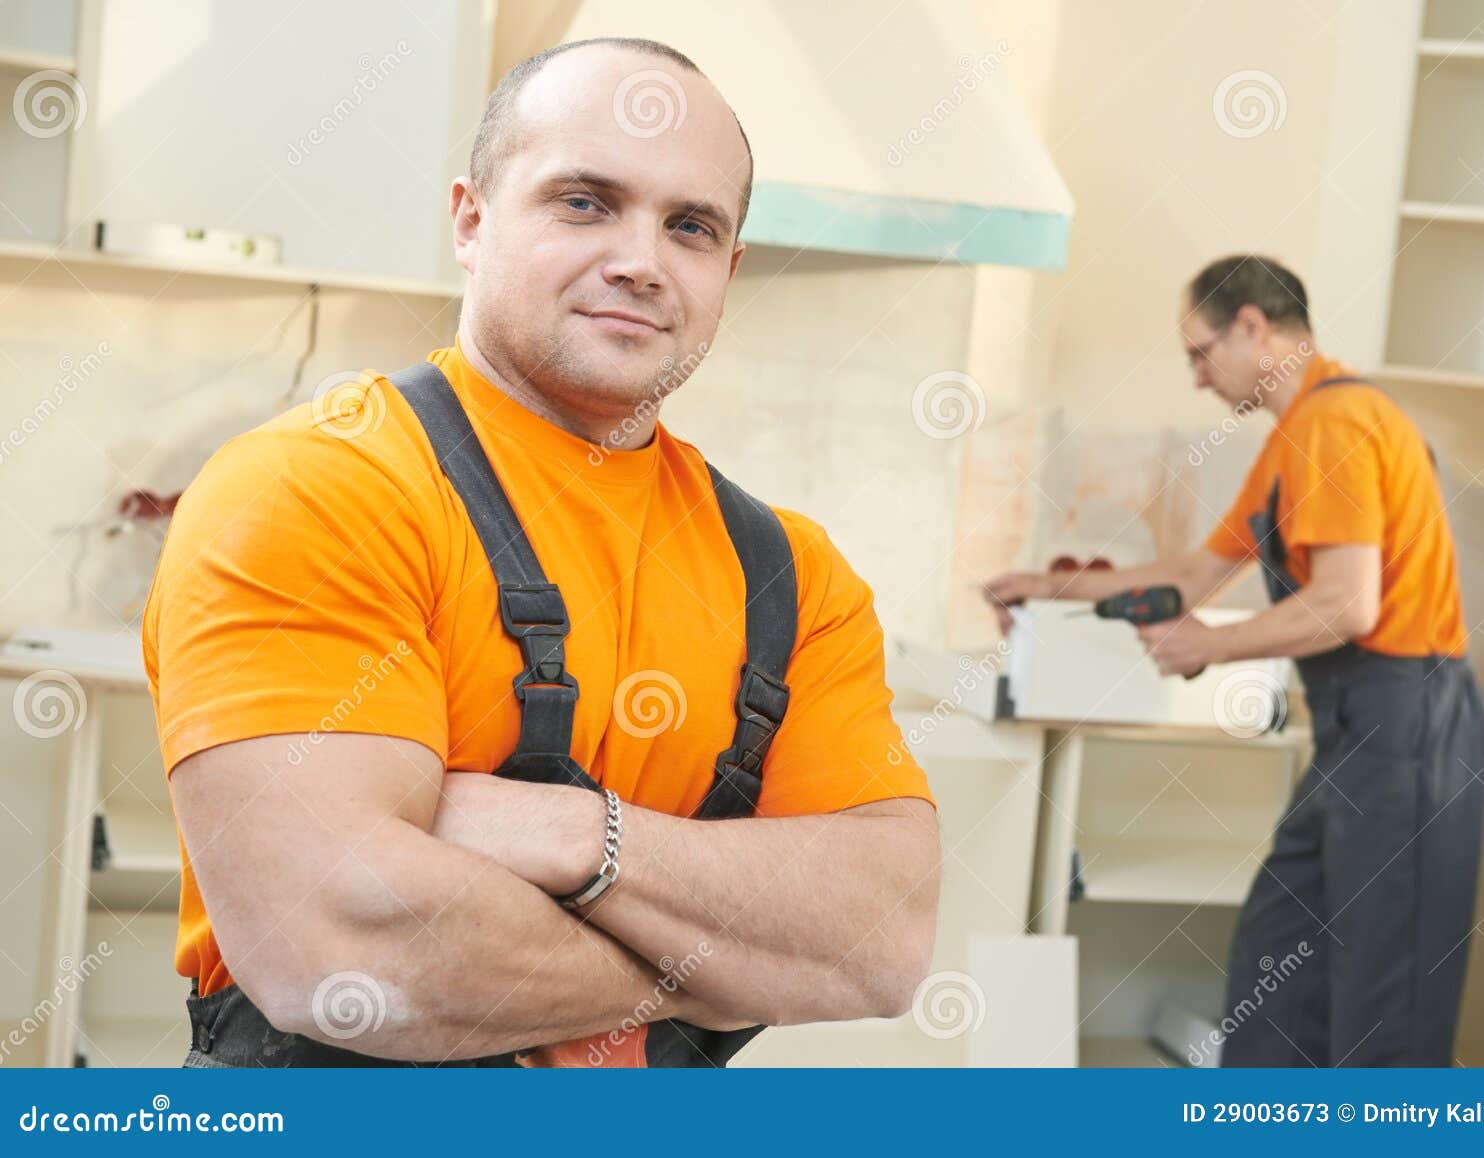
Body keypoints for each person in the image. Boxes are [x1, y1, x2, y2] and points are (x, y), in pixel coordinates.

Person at [144, 36, 940, 1069]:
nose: (641, 262)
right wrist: (731, 959)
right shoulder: (319, 489)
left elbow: (881, 942)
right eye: (584, 202)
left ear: (728, 268)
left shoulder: (790, 575)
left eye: (690, 227)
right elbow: (338, 948)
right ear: (471, 220)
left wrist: (575, 837)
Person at [985, 255, 1484, 1067]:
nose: (1195, 378)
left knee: (1383, 1013)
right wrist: (1049, 587)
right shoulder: (1294, 436)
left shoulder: (1337, 422)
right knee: (1277, 973)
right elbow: (1194, 576)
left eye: (1200, 352)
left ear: (1253, 327)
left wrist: (1210, 645)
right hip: (1355, 738)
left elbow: (1347, 603)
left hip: (1408, 733)